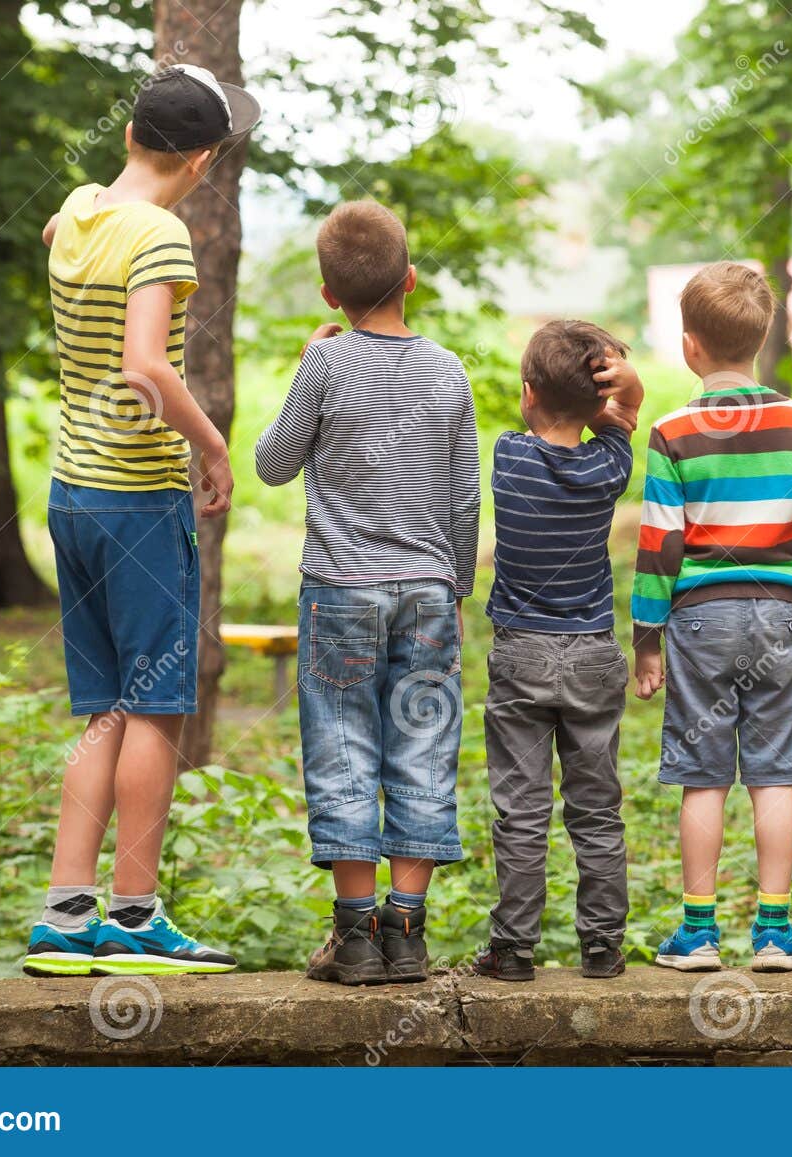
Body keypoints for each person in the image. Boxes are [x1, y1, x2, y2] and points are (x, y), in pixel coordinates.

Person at [25, 65, 259, 977]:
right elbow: (145, 368)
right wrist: (211, 446)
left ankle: (63, 915)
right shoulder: (161, 235)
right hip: (135, 496)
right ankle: (133, 914)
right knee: (153, 709)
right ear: (200, 159)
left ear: (131, 137)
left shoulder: (80, 208)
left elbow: (56, 227)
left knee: (101, 710)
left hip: (71, 494)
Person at [255, 200, 480, 986]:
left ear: (328, 298)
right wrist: (459, 583)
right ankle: (408, 932)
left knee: (343, 745)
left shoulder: (324, 363)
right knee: (423, 746)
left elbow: (274, 463)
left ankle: (354, 939)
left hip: (339, 593)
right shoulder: (449, 369)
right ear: (410, 280)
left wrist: (307, 363)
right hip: (427, 588)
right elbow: (463, 497)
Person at [632, 261, 792, 973]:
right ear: (761, 339)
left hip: (700, 619)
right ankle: (775, 931)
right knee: (774, 771)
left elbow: (658, 543)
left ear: (691, 346)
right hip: (782, 615)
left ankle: (697, 933)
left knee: (703, 775)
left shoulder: (672, 431)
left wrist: (646, 639)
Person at [470, 321, 643, 983]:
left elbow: (591, 420)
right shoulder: (608, 468)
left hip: (522, 657)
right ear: (597, 405)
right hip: (594, 653)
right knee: (596, 808)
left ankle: (512, 950)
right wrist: (623, 399)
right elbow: (621, 424)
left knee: (521, 809)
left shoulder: (509, 456)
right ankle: (603, 947)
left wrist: (602, 404)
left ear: (528, 392)